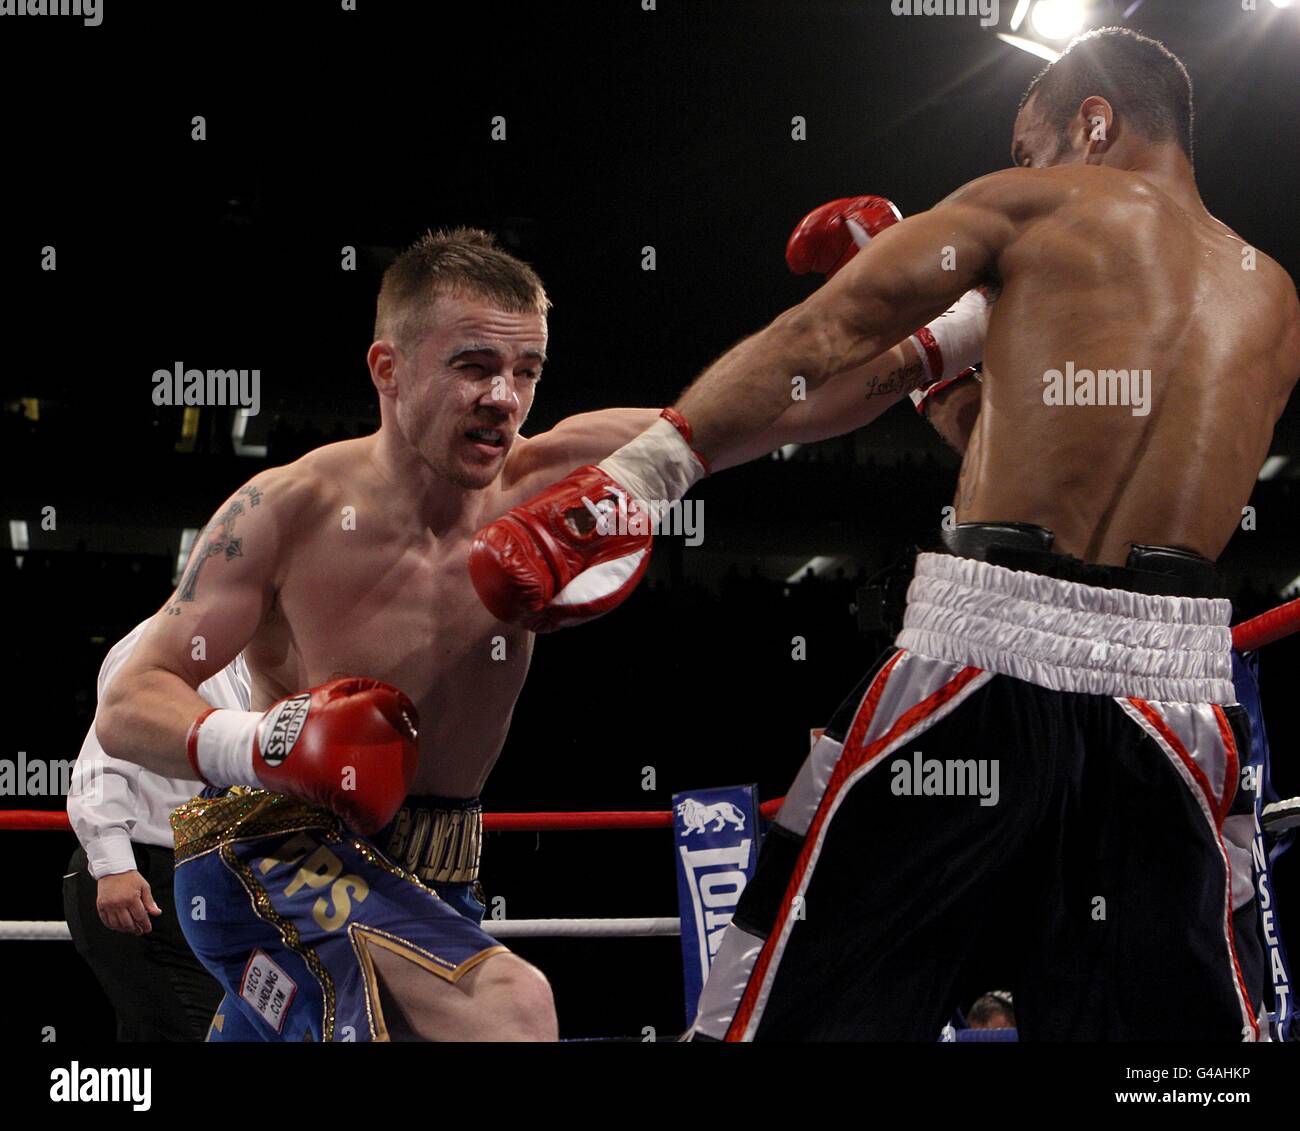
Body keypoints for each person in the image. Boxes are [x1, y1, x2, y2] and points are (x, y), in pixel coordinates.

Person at [471, 28, 1300, 1040]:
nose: (1022, 167)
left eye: (1029, 146)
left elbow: (815, 343)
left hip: (987, 647)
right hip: (1175, 694)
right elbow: (1045, 450)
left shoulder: (1033, 207)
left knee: (800, 1004)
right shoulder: (1269, 294)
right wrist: (951, 352)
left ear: (1092, 122)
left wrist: (627, 486)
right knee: (1176, 1051)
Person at [94, 226, 963, 1041]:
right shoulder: (288, 510)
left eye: (527, 369)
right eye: (473, 366)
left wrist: (960, 323)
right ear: (387, 368)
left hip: (437, 868)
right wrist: (269, 740)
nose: (503, 399)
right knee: (510, 1007)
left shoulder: (558, 480)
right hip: (269, 845)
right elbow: (131, 701)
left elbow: (794, 408)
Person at [63, 619, 247, 1040]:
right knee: (189, 1032)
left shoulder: (245, 665)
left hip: (202, 878)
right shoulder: (166, 644)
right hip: (142, 871)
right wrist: (113, 865)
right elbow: (104, 759)